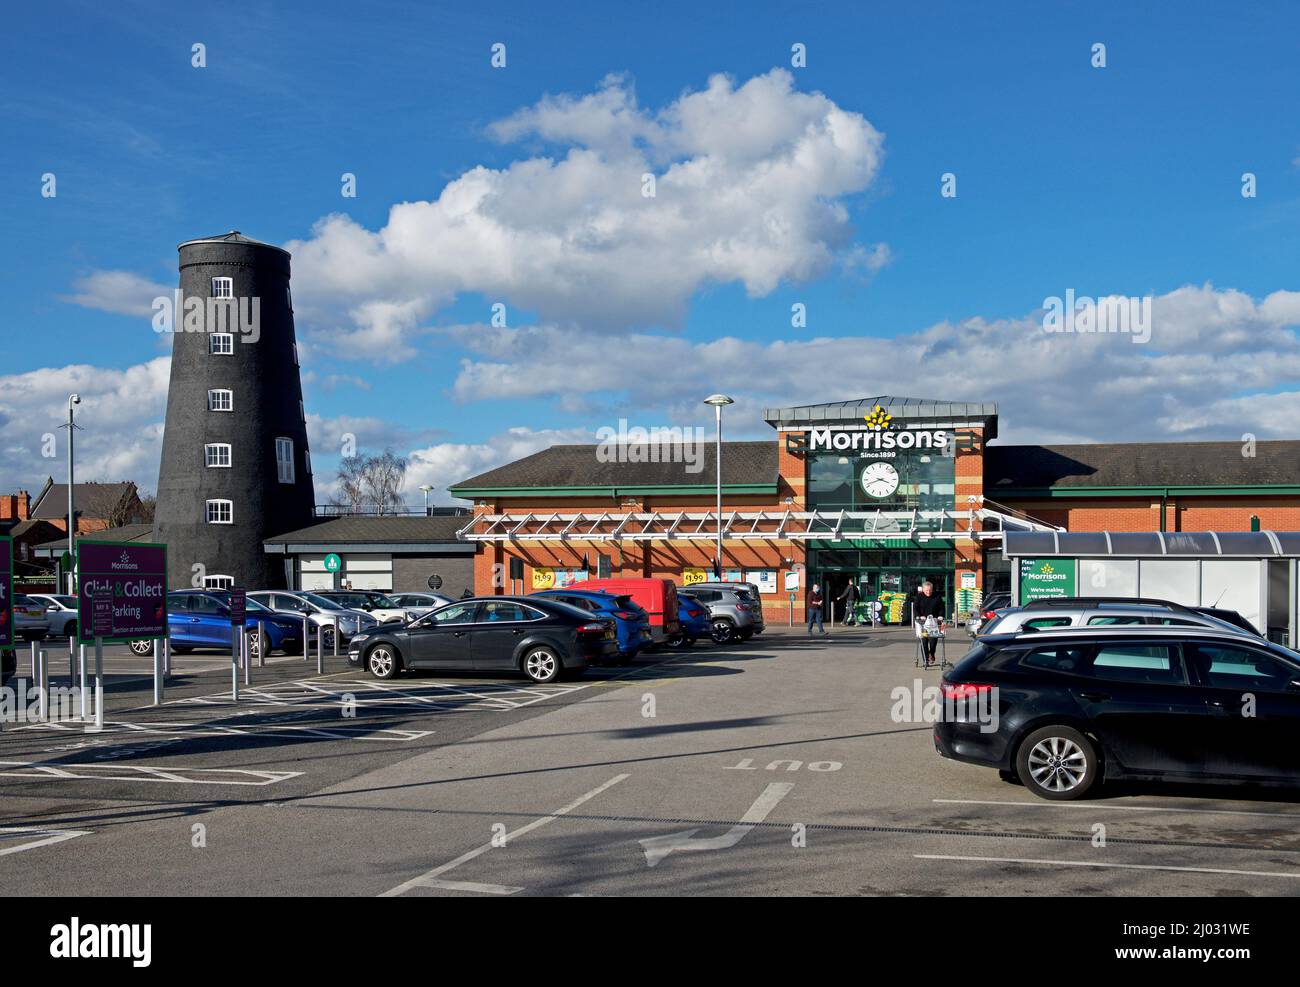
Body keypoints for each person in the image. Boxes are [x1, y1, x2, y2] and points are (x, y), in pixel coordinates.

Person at [913, 580, 945, 666]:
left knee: (933, 640)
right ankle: (925, 660)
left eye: (930, 590)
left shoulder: (937, 597)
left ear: (932, 589)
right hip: (922, 622)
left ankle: (932, 654)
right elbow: (915, 608)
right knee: (924, 640)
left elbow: (941, 607)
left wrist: (940, 615)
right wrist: (919, 616)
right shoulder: (919, 597)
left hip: (933, 622)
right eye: (926, 590)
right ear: (923, 589)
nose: (928, 592)